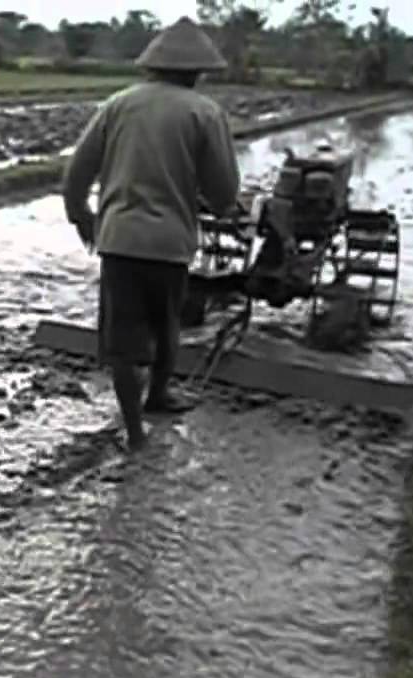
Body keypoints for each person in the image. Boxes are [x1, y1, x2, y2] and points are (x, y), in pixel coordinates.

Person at [61, 17, 242, 453]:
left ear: (152, 66)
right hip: (170, 242)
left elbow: (75, 175)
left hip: (120, 240)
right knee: (166, 325)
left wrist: (82, 219)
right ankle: (158, 397)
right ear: (198, 72)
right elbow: (223, 196)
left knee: (123, 342)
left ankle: (135, 432)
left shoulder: (118, 105)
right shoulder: (205, 113)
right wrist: (213, 202)